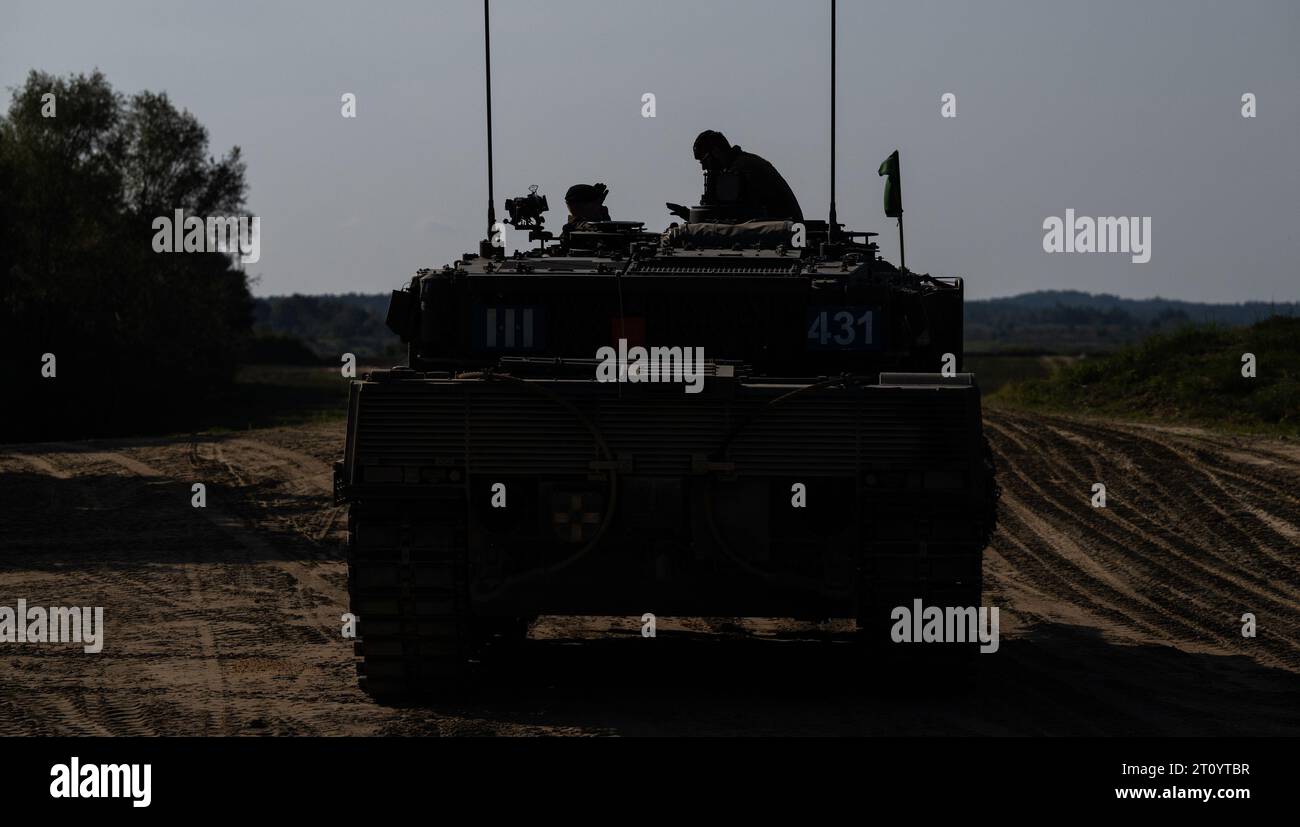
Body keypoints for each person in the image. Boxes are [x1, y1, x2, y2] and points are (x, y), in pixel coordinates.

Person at [668, 130, 803, 222]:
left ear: (715, 152)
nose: (704, 167)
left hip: (782, 231)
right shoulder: (745, 163)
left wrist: (694, 217)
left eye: (703, 161)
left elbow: (732, 217)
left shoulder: (740, 170)